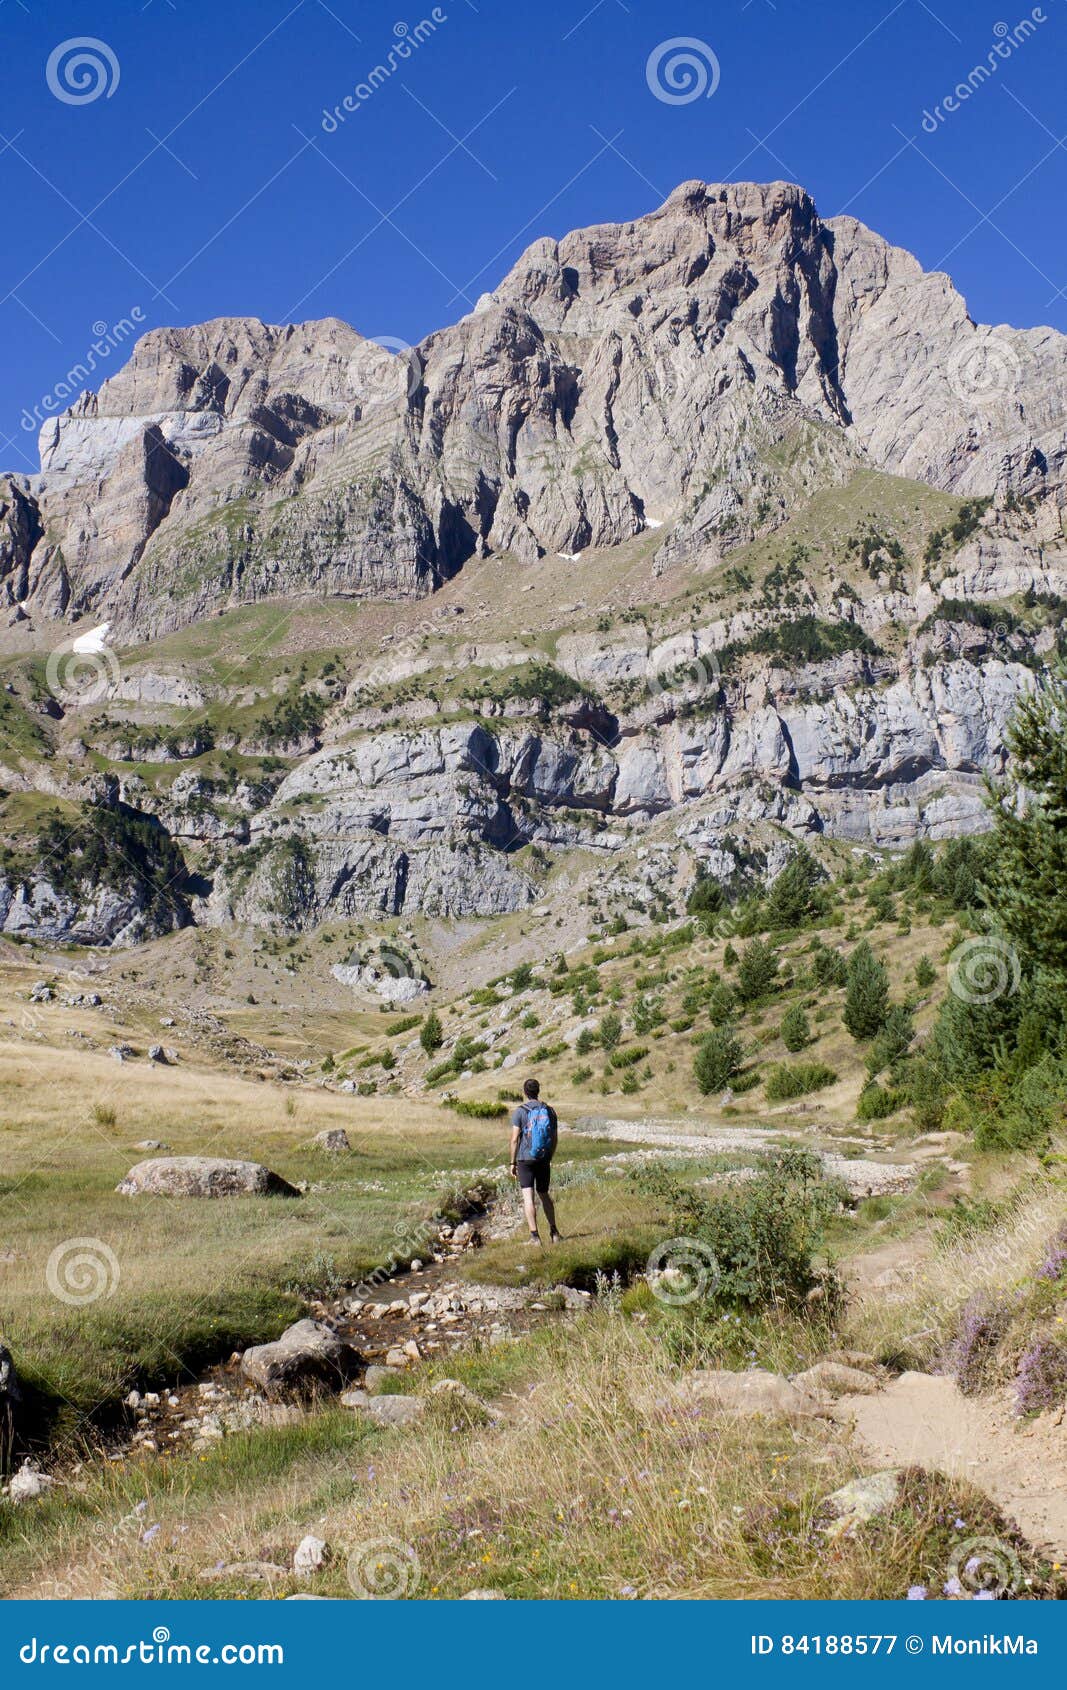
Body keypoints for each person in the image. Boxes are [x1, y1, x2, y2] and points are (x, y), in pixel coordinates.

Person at [509, 1077, 561, 1245]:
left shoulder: (520, 1111)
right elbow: (554, 1137)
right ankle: (554, 1233)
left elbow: (514, 1139)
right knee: (544, 1195)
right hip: (544, 1158)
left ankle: (535, 1237)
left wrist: (512, 1163)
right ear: (538, 1091)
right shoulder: (550, 1111)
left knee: (528, 1198)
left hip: (525, 1159)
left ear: (525, 1092)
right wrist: (549, 1155)